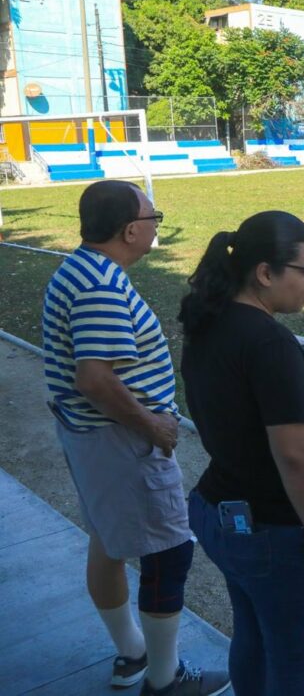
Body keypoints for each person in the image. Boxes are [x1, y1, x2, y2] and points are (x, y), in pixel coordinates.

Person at [42, 180, 230, 696]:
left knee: (107, 540)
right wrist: (152, 424)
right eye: (154, 218)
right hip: (119, 441)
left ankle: (131, 655)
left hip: (93, 439)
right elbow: (95, 378)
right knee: (168, 553)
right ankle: (165, 681)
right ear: (131, 230)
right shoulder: (101, 285)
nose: (155, 226)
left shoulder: (81, 267)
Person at [178, 211, 304, 696]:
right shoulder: (268, 342)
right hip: (276, 532)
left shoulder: (209, 319)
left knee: (252, 638)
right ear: (265, 273)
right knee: (295, 665)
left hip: (224, 513)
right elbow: (294, 455)